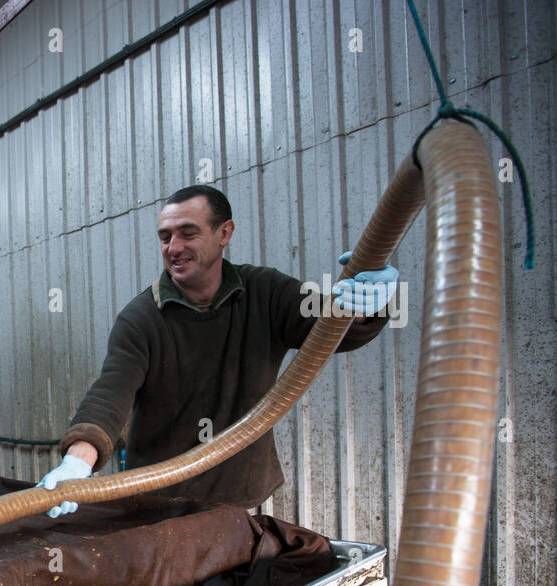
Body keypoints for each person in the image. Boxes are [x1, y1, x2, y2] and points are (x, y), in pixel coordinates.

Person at [37, 184, 398, 513]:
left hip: (242, 497)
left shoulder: (265, 292)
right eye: (165, 237)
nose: (174, 248)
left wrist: (371, 306)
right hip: (162, 502)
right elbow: (110, 393)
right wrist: (78, 462)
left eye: (187, 233)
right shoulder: (142, 318)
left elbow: (332, 328)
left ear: (224, 233)